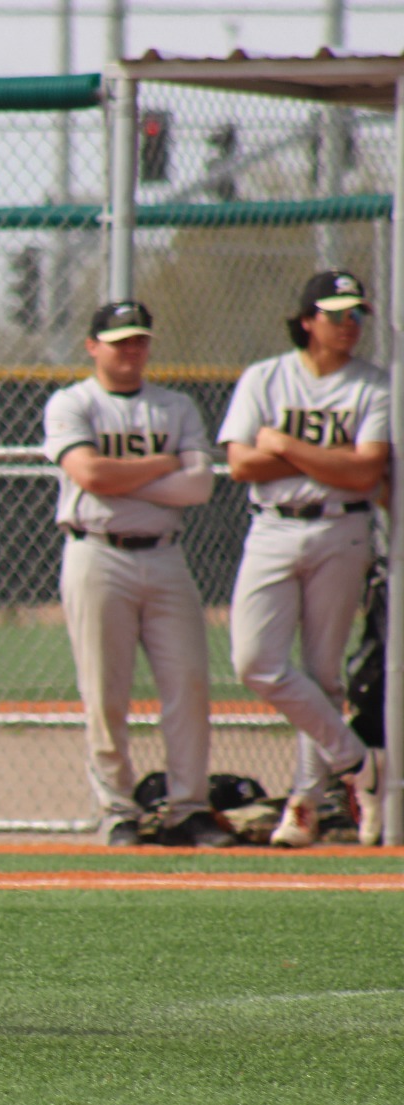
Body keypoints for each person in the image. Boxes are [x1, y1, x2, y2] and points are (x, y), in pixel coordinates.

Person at [44, 300, 234, 848]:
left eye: (139, 340)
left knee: (189, 686)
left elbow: (198, 487)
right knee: (105, 691)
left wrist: (119, 478)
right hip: (96, 551)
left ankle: (188, 808)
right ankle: (117, 810)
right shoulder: (73, 403)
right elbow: (87, 472)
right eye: (120, 340)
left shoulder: (174, 406)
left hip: (166, 554)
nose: (131, 349)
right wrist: (163, 465)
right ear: (92, 346)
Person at [223, 270, 390, 848]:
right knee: (254, 660)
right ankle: (360, 765)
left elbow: (367, 471)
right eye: (338, 314)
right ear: (307, 320)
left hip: (341, 529)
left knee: (322, 675)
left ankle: (304, 804)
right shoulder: (265, 377)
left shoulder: (373, 385)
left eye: (357, 315)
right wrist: (330, 458)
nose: (350, 325)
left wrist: (287, 445)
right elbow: (242, 464)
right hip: (272, 527)